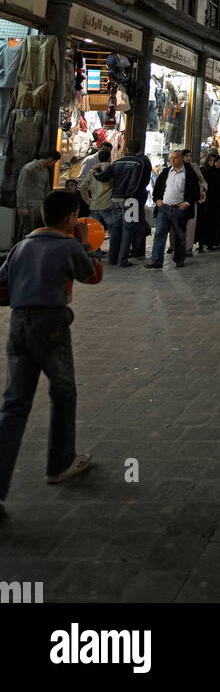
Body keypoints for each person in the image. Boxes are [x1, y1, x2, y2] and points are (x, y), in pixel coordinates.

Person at [0, 189, 103, 513]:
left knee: (14, 405)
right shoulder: (68, 245)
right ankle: (60, 463)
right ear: (71, 218)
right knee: (63, 393)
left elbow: (2, 286)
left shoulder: (22, 245)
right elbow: (93, 275)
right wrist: (86, 242)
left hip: (18, 323)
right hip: (50, 325)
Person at [92, 138, 153, 266]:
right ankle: (122, 259)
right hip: (130, 199)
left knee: (116, 228)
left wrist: (97, 170)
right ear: (139, 149)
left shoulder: (116, 162)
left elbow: (103, 177)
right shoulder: (138, 163)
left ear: (126, 149)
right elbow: (135, 183)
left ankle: (113, 257)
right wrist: (129, 195)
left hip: (115, 198)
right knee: (128, 229)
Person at [147, 150, 200, 269]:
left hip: (179, 209)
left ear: (181, 158)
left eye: (175, 158)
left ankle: (179, 259)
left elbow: (194, 190)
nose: (172, 160)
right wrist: (157, 200)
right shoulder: (166, 172)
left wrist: (187, 203)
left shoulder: (189, 173)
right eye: (171, 158)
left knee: (180, 235)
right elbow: (158, 188)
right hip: (164, 208)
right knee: (160, 234)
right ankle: (156, 260)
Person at [15, 152, 61, 243]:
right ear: (50, 159)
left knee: (39, 231)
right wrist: (22, 206)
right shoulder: (29, 168)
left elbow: (46, 188)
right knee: (28, 232)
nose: (52, 165)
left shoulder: (45, 171)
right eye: (54, 162)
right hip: (29, 205)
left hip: (40, 205)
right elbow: (21, 187)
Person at [182, 149, 207, 258]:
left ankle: (187, 248)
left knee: (190, 224)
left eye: (190, 156)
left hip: (192, 199)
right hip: (178, 199)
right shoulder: (176, 168)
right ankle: (176, 246)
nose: (189, 158)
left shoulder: (194, 167)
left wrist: (202, 189)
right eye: (186, 156)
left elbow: (202, 180)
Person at [200, 155, 220, 250]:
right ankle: (207, 242)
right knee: (208, 222)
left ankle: (214, 241)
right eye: (216, 162)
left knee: (216, 222)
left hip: (219, 201)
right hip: (209, 200)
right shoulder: (208, 172)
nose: (217, 164)